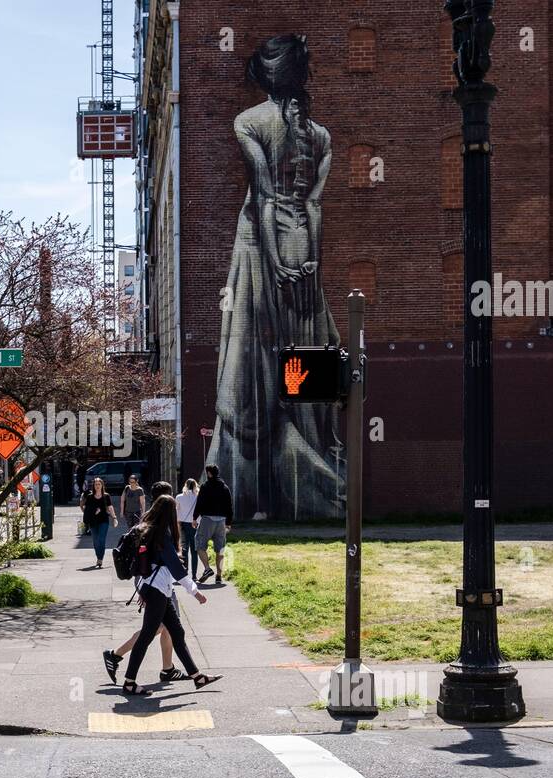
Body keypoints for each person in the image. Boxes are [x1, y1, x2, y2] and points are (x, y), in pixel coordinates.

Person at [204, 33, 343, 521]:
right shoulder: (322, 136)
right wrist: (312, 265)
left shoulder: (248, 122)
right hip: (303, 245)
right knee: (305, 362)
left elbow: (264, 196)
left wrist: (273, 261)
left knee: (255, 361)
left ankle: (261, 492)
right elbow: (314, 206)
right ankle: (312, 477)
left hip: (261, 246)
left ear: (264, 75)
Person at [113, 494, 222, 695]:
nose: (178, 513)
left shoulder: (148, 529)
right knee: (146, 636)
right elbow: (176, 568)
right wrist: (196, 593)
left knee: (177, 633)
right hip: (157, 590)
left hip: (156, 588)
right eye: (176, 510)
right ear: (169, 513)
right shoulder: (161, 536)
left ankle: (197, 677)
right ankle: (129, 682)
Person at [195, 464, 233, 583]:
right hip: (221, 520)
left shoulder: (205, 486)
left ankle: (207, 569)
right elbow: (229, 506)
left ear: (209, 473)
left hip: (207, 519)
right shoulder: (225, 487)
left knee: (200, 544)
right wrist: (228, 522)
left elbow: (199, 503)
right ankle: (219, 576)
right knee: (220, 549)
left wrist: (194, 517)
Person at [81, 477, 117, 569]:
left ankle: (100, 559)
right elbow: (85, 508)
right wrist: (91, 513)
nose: (97, 486)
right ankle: (98, 556)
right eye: (96, 484)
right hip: (93, 521)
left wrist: (114, 518)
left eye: (99, 484)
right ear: (93, 486)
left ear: (102, 485)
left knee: (101, 539)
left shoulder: (106, 496)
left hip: (103, 520)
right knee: (96, 541)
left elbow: (110, 507)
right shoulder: (90, 497)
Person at [176, 478, 200, 580]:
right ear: (195, 486)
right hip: (195, 524)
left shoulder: (179, 497)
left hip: (183, 524)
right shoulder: (198, 497)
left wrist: (177, 523)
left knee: (184, 549)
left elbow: (177, 512)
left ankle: (184, 572)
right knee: (194, 551)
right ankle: (194, 575)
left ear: (185, 485)